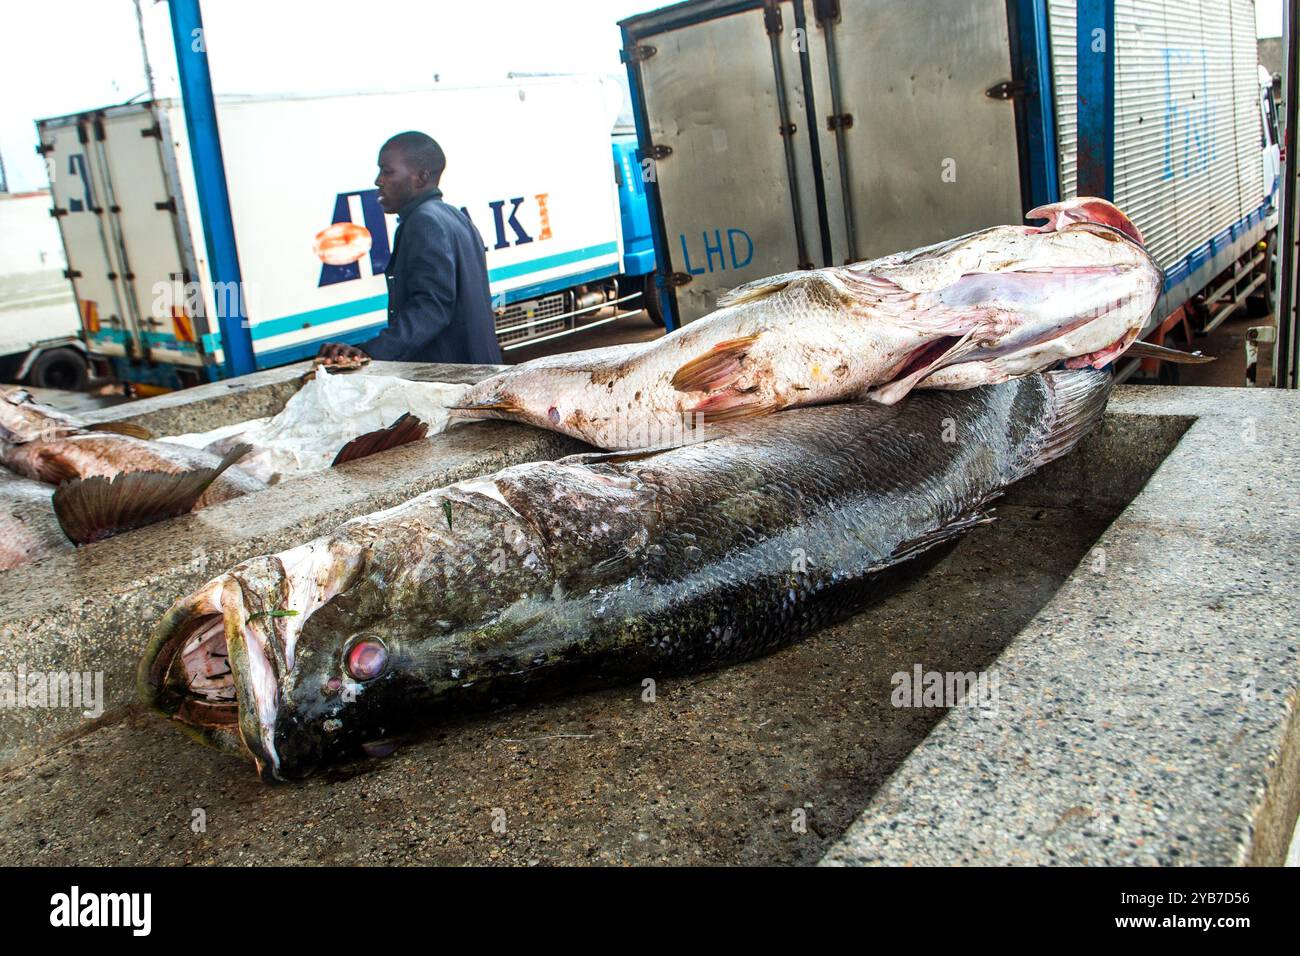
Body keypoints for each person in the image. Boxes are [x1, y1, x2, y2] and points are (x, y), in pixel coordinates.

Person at [317, 131, 503, 365]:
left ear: (420, 178)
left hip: (450, 379)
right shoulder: (454, 216)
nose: (378, 181)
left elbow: (431, 307)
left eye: (387, 171)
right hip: (478, 369)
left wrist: (370, 352)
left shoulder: (423, 222)